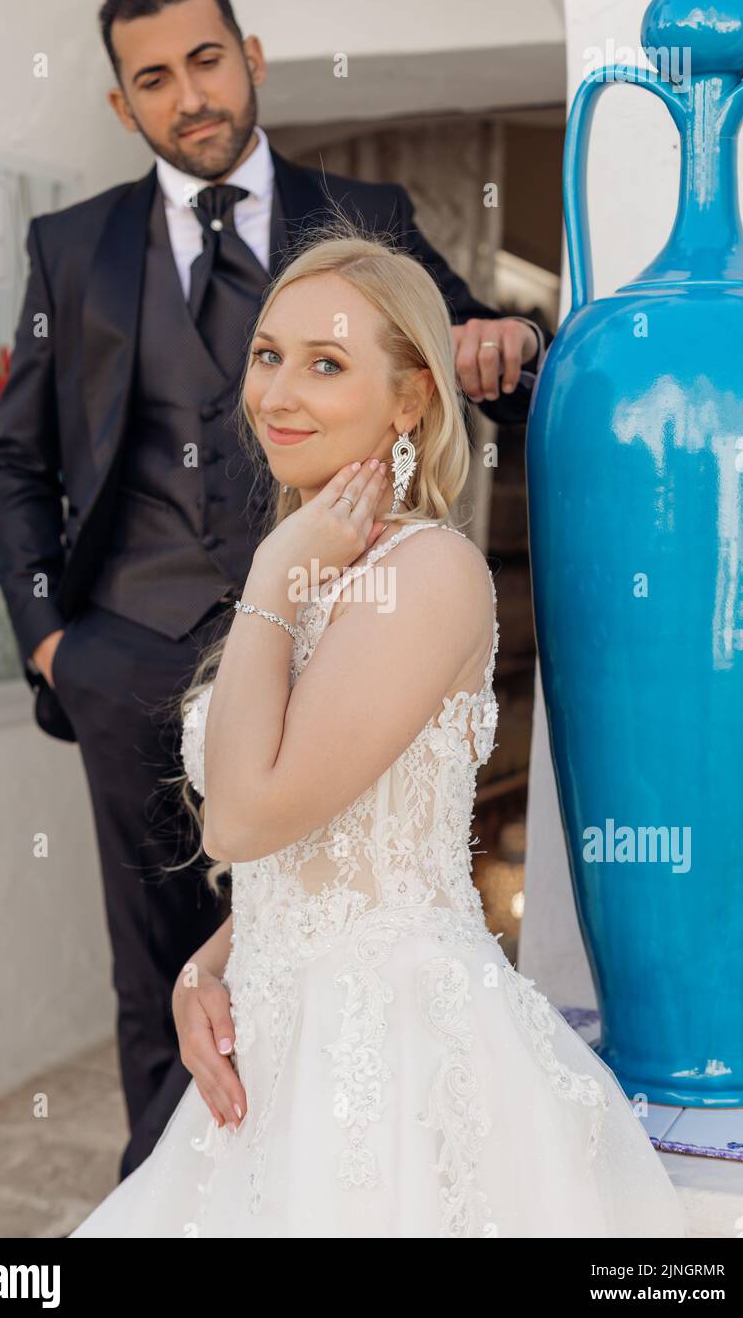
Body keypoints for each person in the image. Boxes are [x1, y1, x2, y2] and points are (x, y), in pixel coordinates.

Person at [0, 0, 551, 1182]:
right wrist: (53, 645)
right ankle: (172, 1178)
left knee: (309, 916)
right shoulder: (71, 246)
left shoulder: (361, 208)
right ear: (120, 101)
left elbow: (448, 347)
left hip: (338, 639)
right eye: (152, 78)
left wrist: (511, 340)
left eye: (203, 60)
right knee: (162, 975)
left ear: (248, 52)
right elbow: (16, 462)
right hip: (128, 658)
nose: (188, 94)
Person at [69, 231, 686, 1238]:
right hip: (276, 1047)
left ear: (408, 401)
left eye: (326, 363)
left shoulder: (423, 574)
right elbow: (322, 850)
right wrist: (209, 963)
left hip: (389, 1055)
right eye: (268, 354)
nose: (276, 393)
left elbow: (239, 819)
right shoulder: (319, 560)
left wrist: (269, 575)